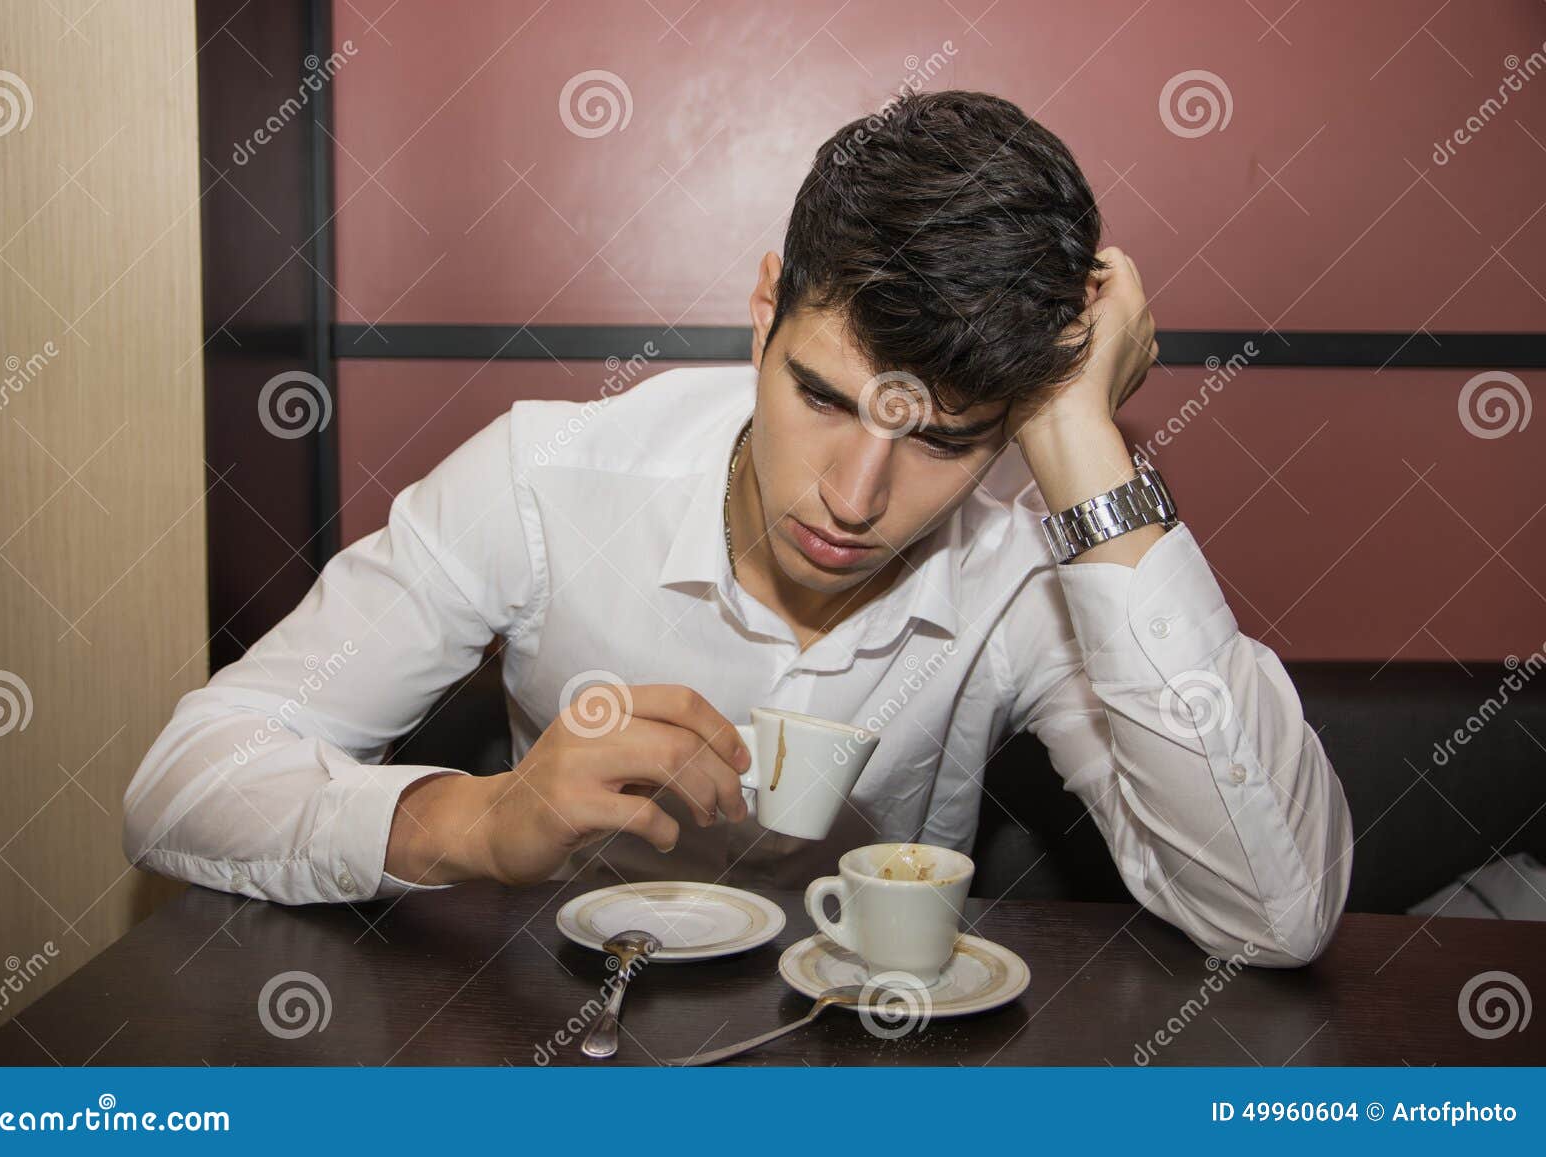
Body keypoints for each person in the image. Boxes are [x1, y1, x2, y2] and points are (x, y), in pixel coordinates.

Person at [123, 89, 1352, 967]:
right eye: (820, 395)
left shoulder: (1025, 563)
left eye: (943, 435)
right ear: (764, 304)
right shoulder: (542, 478)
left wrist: (1087, 450)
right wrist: (478, 824)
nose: (854, 496)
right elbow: (186, 780)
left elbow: (1274, 913)